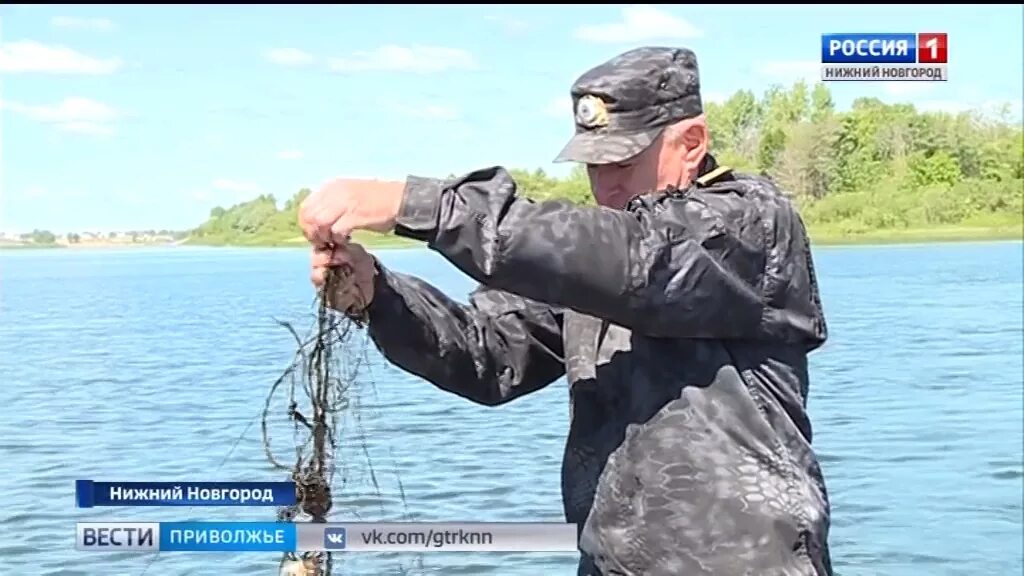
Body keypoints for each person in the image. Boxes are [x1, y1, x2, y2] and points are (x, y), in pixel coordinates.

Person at [298, 46, 833, 576]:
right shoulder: (595, 267)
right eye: (594, 166)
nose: (607, 185)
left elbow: (641, 259)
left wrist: (420, 205)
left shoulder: (747, 228)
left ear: (691, 143)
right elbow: (487, 352)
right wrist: (379, 296)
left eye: (623, 162)